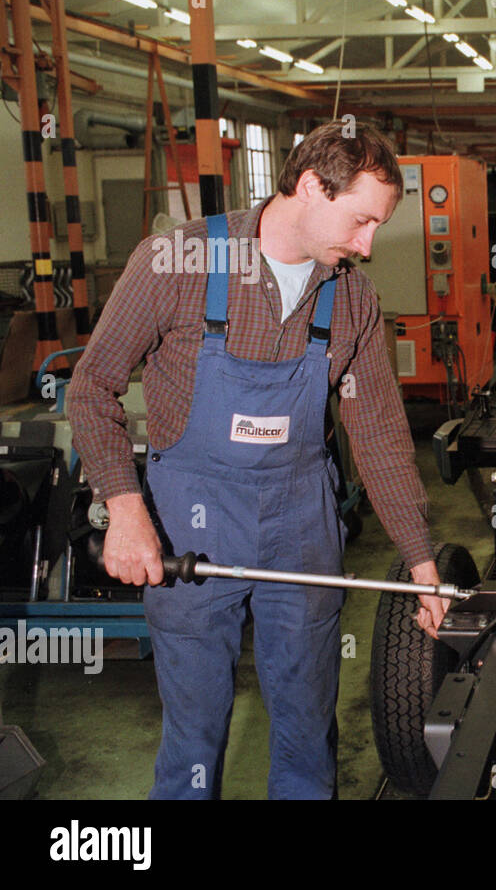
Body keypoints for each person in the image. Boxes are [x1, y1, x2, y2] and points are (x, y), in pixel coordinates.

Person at [66, 119, 450, 799]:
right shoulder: (176, 263)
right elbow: (92, 387)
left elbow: (382, 433)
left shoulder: (352, 297)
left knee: (307, 731)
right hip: (190, 524)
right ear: (309, 186)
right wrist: (124, 510)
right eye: (360, 222)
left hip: (301, 524)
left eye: (375, 228)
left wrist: (420, 559)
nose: (365, 245)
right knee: (194, 731)